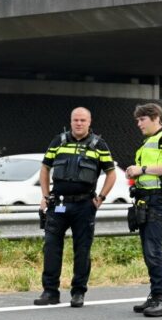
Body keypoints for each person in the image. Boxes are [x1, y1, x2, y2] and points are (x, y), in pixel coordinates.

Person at [34, 107, 117, 308]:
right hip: (59, 204)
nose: (79, 123)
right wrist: (45, 195)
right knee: (52, 249)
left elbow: (111, 173)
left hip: (84, 205)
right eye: (75, 120)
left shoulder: (99, 145)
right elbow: (45, 168)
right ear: (70, 122)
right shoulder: (58, 141)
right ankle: (50, 292)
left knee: (82, 250)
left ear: (89, 122)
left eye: (82, 120)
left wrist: (101, 198)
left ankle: (78, 292)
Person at [124, 102, 162, 318]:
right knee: (148, 249)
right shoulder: (148, 142)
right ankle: (154, 295)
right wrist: (135, 174)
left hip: (158, 200)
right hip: (146, 200)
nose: (139, 124)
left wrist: (142, 169)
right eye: (138, 120)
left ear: (155, 117)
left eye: (142, 119)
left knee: (153, 249)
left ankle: (161, 299)